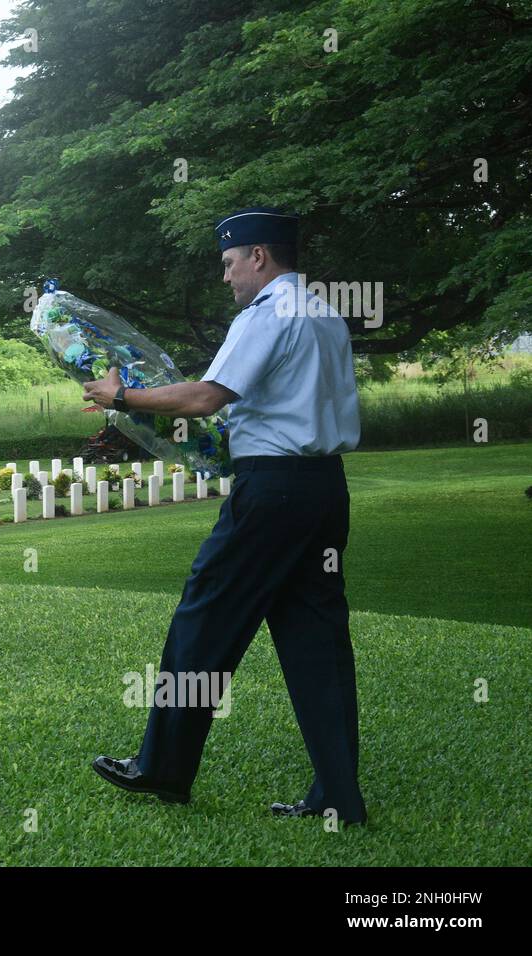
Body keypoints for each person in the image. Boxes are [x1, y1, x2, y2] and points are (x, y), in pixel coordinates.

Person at [82, 206, 367, 826]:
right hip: (324, 490)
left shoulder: (265, 314)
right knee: (319, 640)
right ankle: (339, 797)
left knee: (203, 620)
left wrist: (120, 396)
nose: (227, 276)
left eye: (229, 263)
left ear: (258, 257)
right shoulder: (324, 314)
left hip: (273, 493)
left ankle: (161, 767)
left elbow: (207, 397)